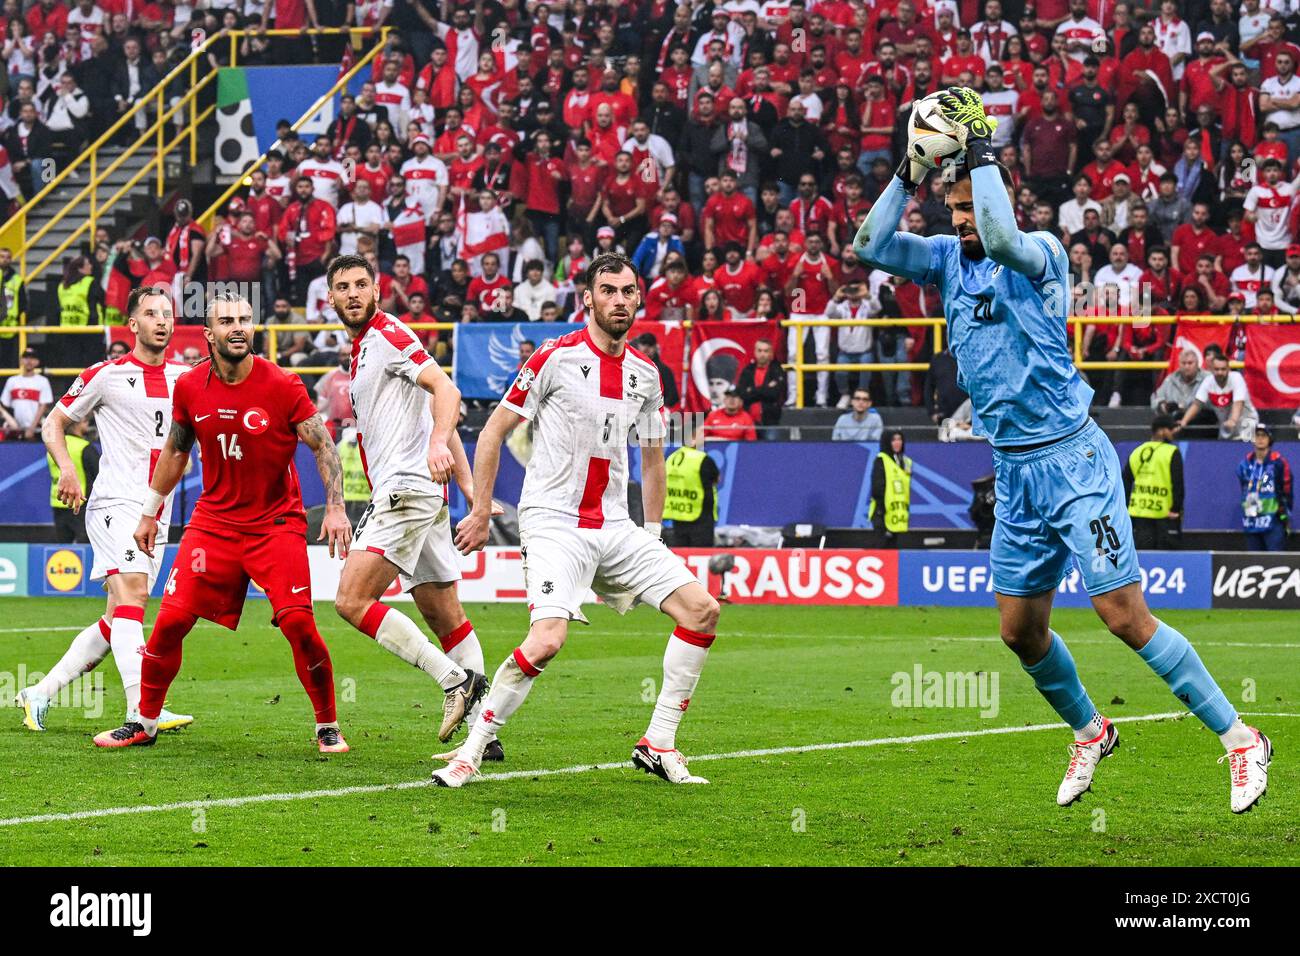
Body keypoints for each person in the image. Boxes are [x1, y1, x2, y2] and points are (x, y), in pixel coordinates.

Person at [854, 88, 1271, 813]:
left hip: (1073, 460)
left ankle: (1240, 739)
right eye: (950, 212)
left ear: (993, 197)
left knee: (1122, 615)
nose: (959, 224)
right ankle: (1091, 729)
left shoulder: (1037, 252)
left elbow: (1002, 233)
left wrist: (980, 147)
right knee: (1019, 631)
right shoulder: (950, 262)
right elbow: (868, 246)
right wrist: (907, 172)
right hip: (1015, 472)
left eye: (966, 208)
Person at [436, 253, 721, 788]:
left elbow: (654, 455)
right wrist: (478, 510)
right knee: (547, 640)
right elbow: (493, 432)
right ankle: (470, 751)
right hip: (554, 522)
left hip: (615, 526)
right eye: (608, 291)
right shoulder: (554, 356)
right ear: (587, 299)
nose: (620, 300)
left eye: (628, 291)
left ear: (639, 299)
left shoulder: (645, 373)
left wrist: (653, 536)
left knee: (702, 611)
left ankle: (659, 742)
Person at [92, 291, 353, 753]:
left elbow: (323, 445)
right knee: (169, 623)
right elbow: (175, 450)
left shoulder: (283, 384)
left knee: (298, 625)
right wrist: (150, 513)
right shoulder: (190, 386)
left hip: (275, 525)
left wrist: (334, 507)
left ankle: (327, 724)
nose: (238, 327)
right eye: (227, 320)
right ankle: (143, 721)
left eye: (246, 319)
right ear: (208, 334)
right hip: (213, 525)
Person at [326, 255, 494, 751]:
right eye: (343, 287)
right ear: (331, 299)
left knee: (351, 600)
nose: (353, 293)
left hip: (406, 489)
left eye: (361, 284)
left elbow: (447, 389)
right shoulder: (366, 349)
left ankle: (453, 681)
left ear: (377, 290)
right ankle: (485, 727)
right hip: (427, 494)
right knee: (444, 613)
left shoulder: (388, 336)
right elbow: (436, 408)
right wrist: (468, 491)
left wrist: (439, 442)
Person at [17, 288, 191, 734]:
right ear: (132, 324)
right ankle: (143, 708)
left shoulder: (187, 378)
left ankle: (40, 692)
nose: (160, 321)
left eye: (167, 314)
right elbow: (54, 422)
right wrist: (67, 470)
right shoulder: (105, 374)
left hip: (157, 509)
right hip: (115, 501)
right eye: (150, 314)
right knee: (133, 594)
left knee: (120, 614)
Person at [1122, 415, 1184, 551]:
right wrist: (1175, 509)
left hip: (1139, 512)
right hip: (1164, 513)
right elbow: (1178, 483)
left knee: (1143, 555)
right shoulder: (1172, 452)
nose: (1174, 432)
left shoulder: (1137, 451)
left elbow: (1125, 481)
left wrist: (1126, 506)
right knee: (1167, 557)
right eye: (1171, 429)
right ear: (1161, 431)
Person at [1174, 352, 1259, 441]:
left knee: (1247, 451)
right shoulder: (1208, 381)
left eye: (1223, 369)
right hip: (1226, 426)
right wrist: (1184, 421)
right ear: (1211, 370)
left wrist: (1233, 420)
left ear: (1228, 369)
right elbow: (1197, 404)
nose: (1220, 372)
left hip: (1247, 423)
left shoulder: (1236, 378)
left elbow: (1238, 403)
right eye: (1217, 369)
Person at [1237, 424, 1293, 552]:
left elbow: (1287, 488)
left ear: (1270, 439)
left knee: (1274, 561)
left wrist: (1285, 513)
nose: (1260, 439)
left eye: (1264, 435)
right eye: (1257, 435)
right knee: (1254, 561)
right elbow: (1244, 487)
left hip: (1273, 520)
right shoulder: (1244, 464)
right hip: (1251, 521)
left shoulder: (1278, 462)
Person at [663, 429, 720, 547]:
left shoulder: (671, 458)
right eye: (701, 436)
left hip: (678, 515)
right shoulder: (702, 459)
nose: (704, 439)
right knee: (700, 556)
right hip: (700, 516)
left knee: (681, 555)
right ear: (692, 439)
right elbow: (716, 479)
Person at [47, 415, 97, 544]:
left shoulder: (54, 448)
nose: (87, 424)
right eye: (85, 421)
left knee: (63, 547)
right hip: (79, 504)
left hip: (58, 501)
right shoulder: (84, 447)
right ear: (77, 424)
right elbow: (99, 474)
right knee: (84, 546)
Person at [735, 338, 787, 437]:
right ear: (755, 352)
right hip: (748, 422)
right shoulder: (748, 370)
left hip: (770, 422)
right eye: (759, 350)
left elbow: (774, 394)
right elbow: (742, 394)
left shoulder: (777, 370)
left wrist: (752, 390)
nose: (762, 354)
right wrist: (765, 388)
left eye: (766, 351)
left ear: (771, 353)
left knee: (771, 451)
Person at [1, 347, 51, 438]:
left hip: (37, 430)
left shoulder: (42, 381)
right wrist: (12, 423)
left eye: (32, 358)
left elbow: (43, 406)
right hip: (15, 430)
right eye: (26, 357)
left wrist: (32, 428)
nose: (29, 361)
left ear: (37, 362)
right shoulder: (12, 381)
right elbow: (5, 405)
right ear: (21, 360)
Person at [868, 429, 912, 534]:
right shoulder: (881, 460)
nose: (897, 443)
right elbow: (877, 488)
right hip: (882, 514)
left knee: (895, 549)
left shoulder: (906, 462)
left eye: (899, 439)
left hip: (899, 516)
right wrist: (882, 509)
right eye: (893, 440)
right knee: (882, 548)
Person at [1152, 348, 1208, 418]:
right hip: (1174, 421)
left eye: (1190, 363)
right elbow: (1155, 397)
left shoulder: (1207, 379)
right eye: (1183, 363)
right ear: (1179, 364)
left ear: (1197, 364)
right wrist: (1162, 405)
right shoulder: (1170, 379)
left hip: (1202, 421)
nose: (1187, 367)